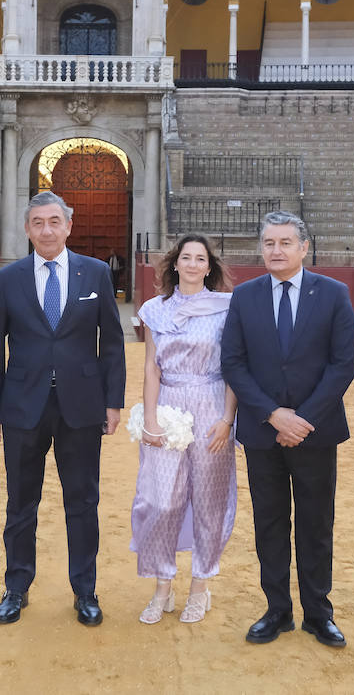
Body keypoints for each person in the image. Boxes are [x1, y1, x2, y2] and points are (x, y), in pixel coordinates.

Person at [0, 191, 126, 627]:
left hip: (82, 407)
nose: (46, 230)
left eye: (54, 221)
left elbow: (112, 343)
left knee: (82, 502)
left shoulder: (96, 273)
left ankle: (85, 591)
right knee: (21, 502)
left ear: (68, 226)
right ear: (27, 229)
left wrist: (113, 401)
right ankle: (16, 587)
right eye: (38, 222)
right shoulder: (9, 278)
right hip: (22, 406)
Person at [220, 210, 354, 647]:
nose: (276, 250)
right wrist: (272, 414)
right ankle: (277, 610)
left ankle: (318, 613)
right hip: (263, 432)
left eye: (285, 243)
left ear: (303, 248)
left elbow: (343, 364)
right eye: (269, 243)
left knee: (316, 523)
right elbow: (233, 363)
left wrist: (302, 419)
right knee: (270, 522)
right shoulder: (245, 296)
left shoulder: (333, 293)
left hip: (315, 432)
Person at [131, 234, 237, 625]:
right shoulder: (155, 309)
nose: (193, 264)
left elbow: (233, 367)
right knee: (162, 500)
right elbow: (151, 367)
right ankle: (162, 586)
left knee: (210, 501)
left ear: (209, 268)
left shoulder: (226, 308)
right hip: (168, 406)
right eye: (186, 257)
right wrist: (151, 419)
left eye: (200, 259)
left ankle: (200, 586)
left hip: (212, 406)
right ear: (175, 264)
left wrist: (227, 419)